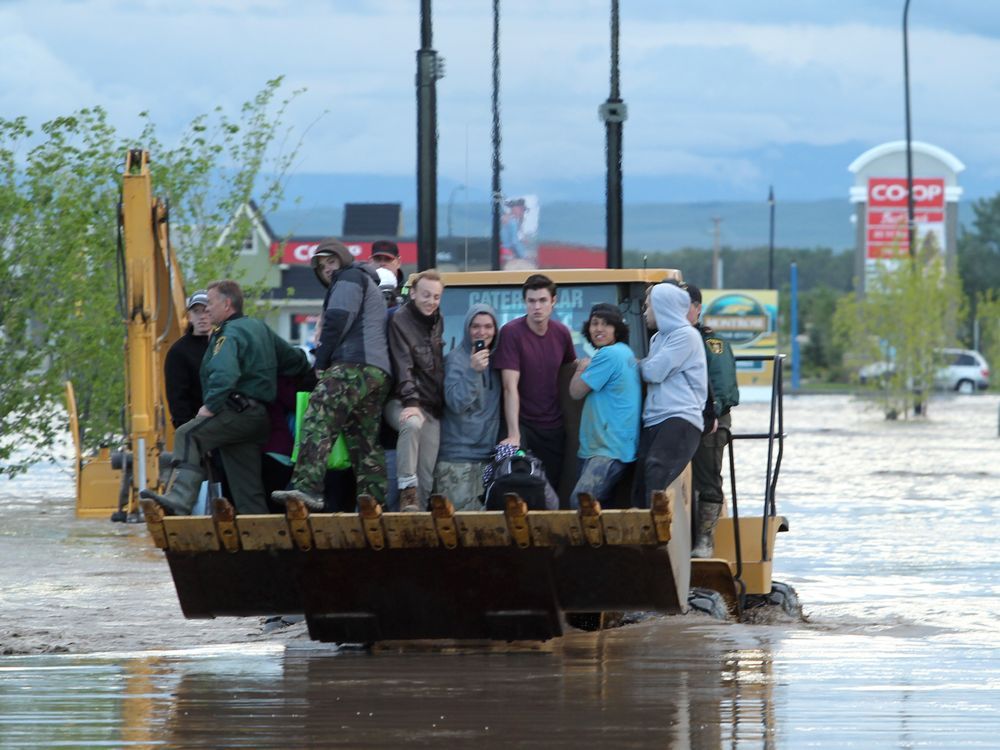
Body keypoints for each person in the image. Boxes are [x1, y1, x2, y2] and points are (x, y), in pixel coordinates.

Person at [141, 280, 311, 515]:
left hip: (236, 415)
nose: (207, 309)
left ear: (227, 304)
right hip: (257, 420)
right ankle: (262, 542)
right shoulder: (258, 328)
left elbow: (224, 373)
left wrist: (209, 407)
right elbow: (296, 361)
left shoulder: (228, 334)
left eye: (210, 303)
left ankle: (179, 501)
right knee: (247, 490)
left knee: (188, 434)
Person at [273, 239, 392, 510]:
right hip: (377, 371)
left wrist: (321, 361)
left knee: (318, 413)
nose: (327, 269)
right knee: (363, 439)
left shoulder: (348, 278)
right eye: (321, 265)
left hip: (353, 364)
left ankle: (307, 487)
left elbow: (338, 319)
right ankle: (375, 504)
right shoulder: (364, 280)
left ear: (343, 260)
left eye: (331, 261)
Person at [493, 274, 576, 491]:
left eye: (542, 300)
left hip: (553, 426)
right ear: (525, 303)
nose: (537, 307)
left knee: (551, 490)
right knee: (518, 485)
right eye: (531, 301)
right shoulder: (511, 333)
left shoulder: (562, 333)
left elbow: (570, 369)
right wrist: (514, 434)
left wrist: (586, 365)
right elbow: (509, 386)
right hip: (522, 424)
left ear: (553, 301)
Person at [632, 281, 708, 509]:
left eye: (648, 307)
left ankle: (656, 536)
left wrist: (636, 364)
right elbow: (652, 368)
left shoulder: (686, 336)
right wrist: (645, 365)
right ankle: (636, 535)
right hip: (655, 420)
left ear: (662, 307)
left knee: (656, 468)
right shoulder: (657, 339)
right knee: (639, 484)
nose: (645, 313)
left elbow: (654, 372)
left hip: (680, 419)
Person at [685, 283, 740, 558]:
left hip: (710, 422)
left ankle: (705, 539)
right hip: (679, 419)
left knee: (707, 478)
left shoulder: (712, 345)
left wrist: (708, 416)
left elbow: (722, 386)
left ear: (697, 308)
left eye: (686, 306)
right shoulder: (664, 339)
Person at [568, 303, 641, 509]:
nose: (599, 329)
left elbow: (575, 392)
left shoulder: (608, 355)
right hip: (613, 448)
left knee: (581, 502)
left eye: (606, 324)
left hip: (606, 450)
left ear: (617, 329)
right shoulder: (625, 351)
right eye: (594, 323)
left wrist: (580, 369)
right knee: (600, 507)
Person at [385, 270, 445, 512]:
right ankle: (406, 491)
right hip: (401, 399)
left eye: (436, 297)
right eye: (426, 295)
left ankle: (417, 518)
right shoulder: (400, 319)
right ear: (412, 293)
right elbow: (403, 364)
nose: (431, 301)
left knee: (427, 477)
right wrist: (410, 402)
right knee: (411, 425)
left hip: (430, 404)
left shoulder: (438, 319)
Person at [434, 304, 501, 510]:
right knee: (457, 532)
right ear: (466, 329)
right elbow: (456, 403)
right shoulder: (455, 360)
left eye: (488, 326)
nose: (482, 332)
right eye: (475, 326)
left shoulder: (497, 360)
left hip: (487, 461)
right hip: (457, 462)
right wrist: (473, 372)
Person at [164, 290, 212, 428]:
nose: (202, 316)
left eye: (206, 311)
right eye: (197, 311)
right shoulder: (178, 352)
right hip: (195, 427)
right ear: (189, 316)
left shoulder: (224, 344)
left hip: (223, 425)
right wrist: (187, 429)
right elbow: (177, 398)